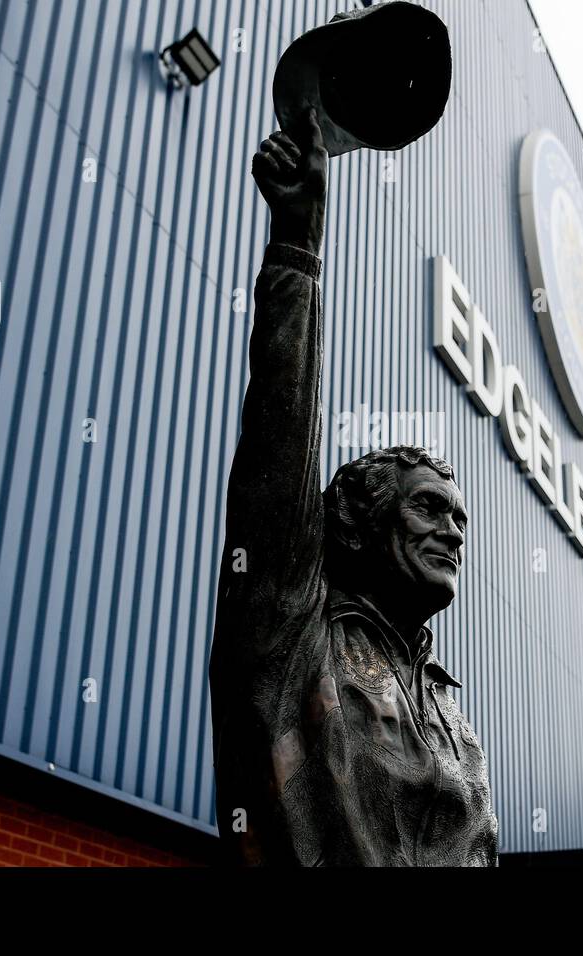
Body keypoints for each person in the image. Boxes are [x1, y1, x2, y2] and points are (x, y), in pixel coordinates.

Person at [209, 108, 499, 866]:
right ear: (361, 526)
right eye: (428, 507)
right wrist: (297, 247)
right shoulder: (293, 631)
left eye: (460, 516)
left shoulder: (448, 708)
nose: (453, 530)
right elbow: (280, 438)